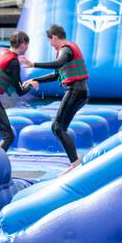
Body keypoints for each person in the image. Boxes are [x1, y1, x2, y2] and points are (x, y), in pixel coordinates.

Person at [22, 23, 89, 168]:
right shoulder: (68, 49)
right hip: (80, 92)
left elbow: (58, 64)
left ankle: (75, 163)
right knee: (59, 128)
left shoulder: (65, 49)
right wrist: (35, 80)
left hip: (76, 91)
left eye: (50, 41)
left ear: (53, 37)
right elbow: (55, 75)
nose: (51, 44)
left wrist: (33, 64)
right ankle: (75, 161)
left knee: (58, 127)